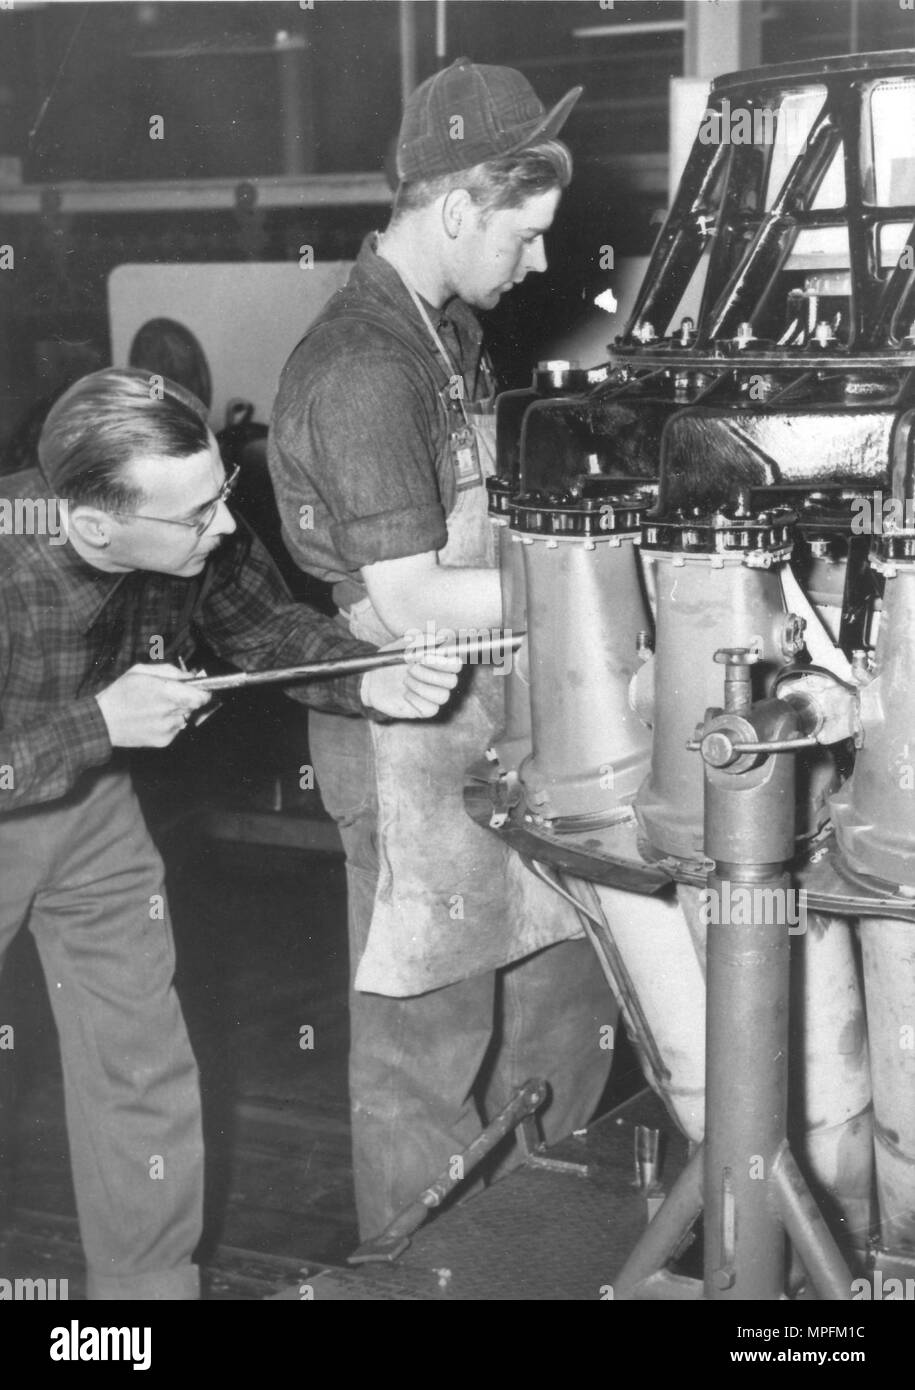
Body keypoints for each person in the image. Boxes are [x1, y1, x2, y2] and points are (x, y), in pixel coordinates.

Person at [0, 367, 460, 1299]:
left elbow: (268, 632)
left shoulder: (193, 519)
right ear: (93, 525)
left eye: (224, 495)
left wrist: (367, 675)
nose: (222, 527)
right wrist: (100, 724)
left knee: (142, 1070)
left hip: (88, 814)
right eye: (196, 515)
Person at [268, 58, 617, 1241]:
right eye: (526, 235)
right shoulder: (367, 363)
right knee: (430, 1047)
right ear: (460, 205)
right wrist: (610, 582)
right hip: (408, 740)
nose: (540, 263)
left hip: (492, 729)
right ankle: (419, 1275)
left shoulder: (443, 333)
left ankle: (544, 1247)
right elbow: (416, 602)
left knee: (556, 1016)